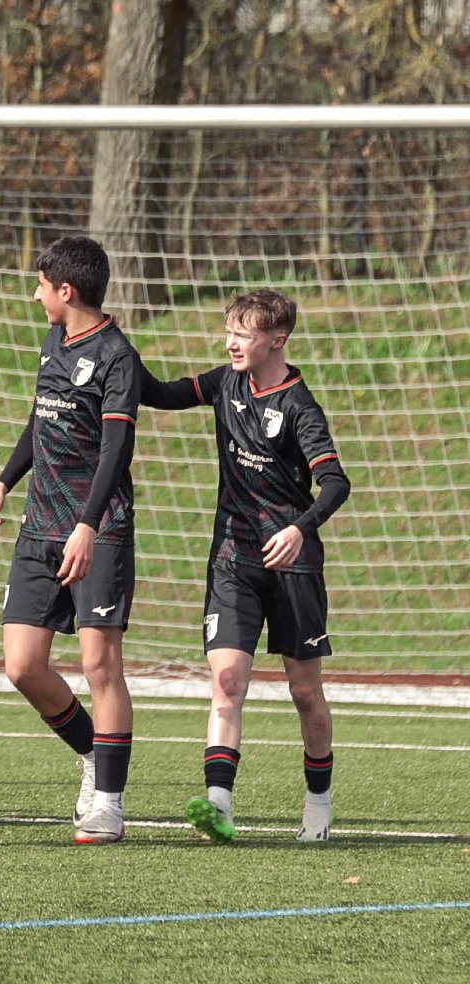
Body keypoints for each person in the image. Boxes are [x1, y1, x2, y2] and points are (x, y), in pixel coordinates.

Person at [137, 290, 349, 843]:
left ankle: (319, 806)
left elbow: (335, 482)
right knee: (228, 680)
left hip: (292, 565)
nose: (231, 342)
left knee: (304, 693)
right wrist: (116, 352)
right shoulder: (224, 383)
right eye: (229, 329)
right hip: (233, 556)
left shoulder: (301, 407)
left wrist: (299, 529)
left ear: (276, 340)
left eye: (244, 333)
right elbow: (160, 393)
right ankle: (217, 805)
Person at [0, 235, 142, 845]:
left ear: (66, 291)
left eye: (41, 284)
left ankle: (109, 805)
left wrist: (89, 526)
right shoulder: (54, 341)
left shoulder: (118, 357)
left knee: (100, 664)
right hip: (38, 527)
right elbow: (39, 418)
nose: (35, 292)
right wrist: (1, 483)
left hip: (98, 530)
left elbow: (115, 452)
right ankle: (93, 755)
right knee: (22, 665)